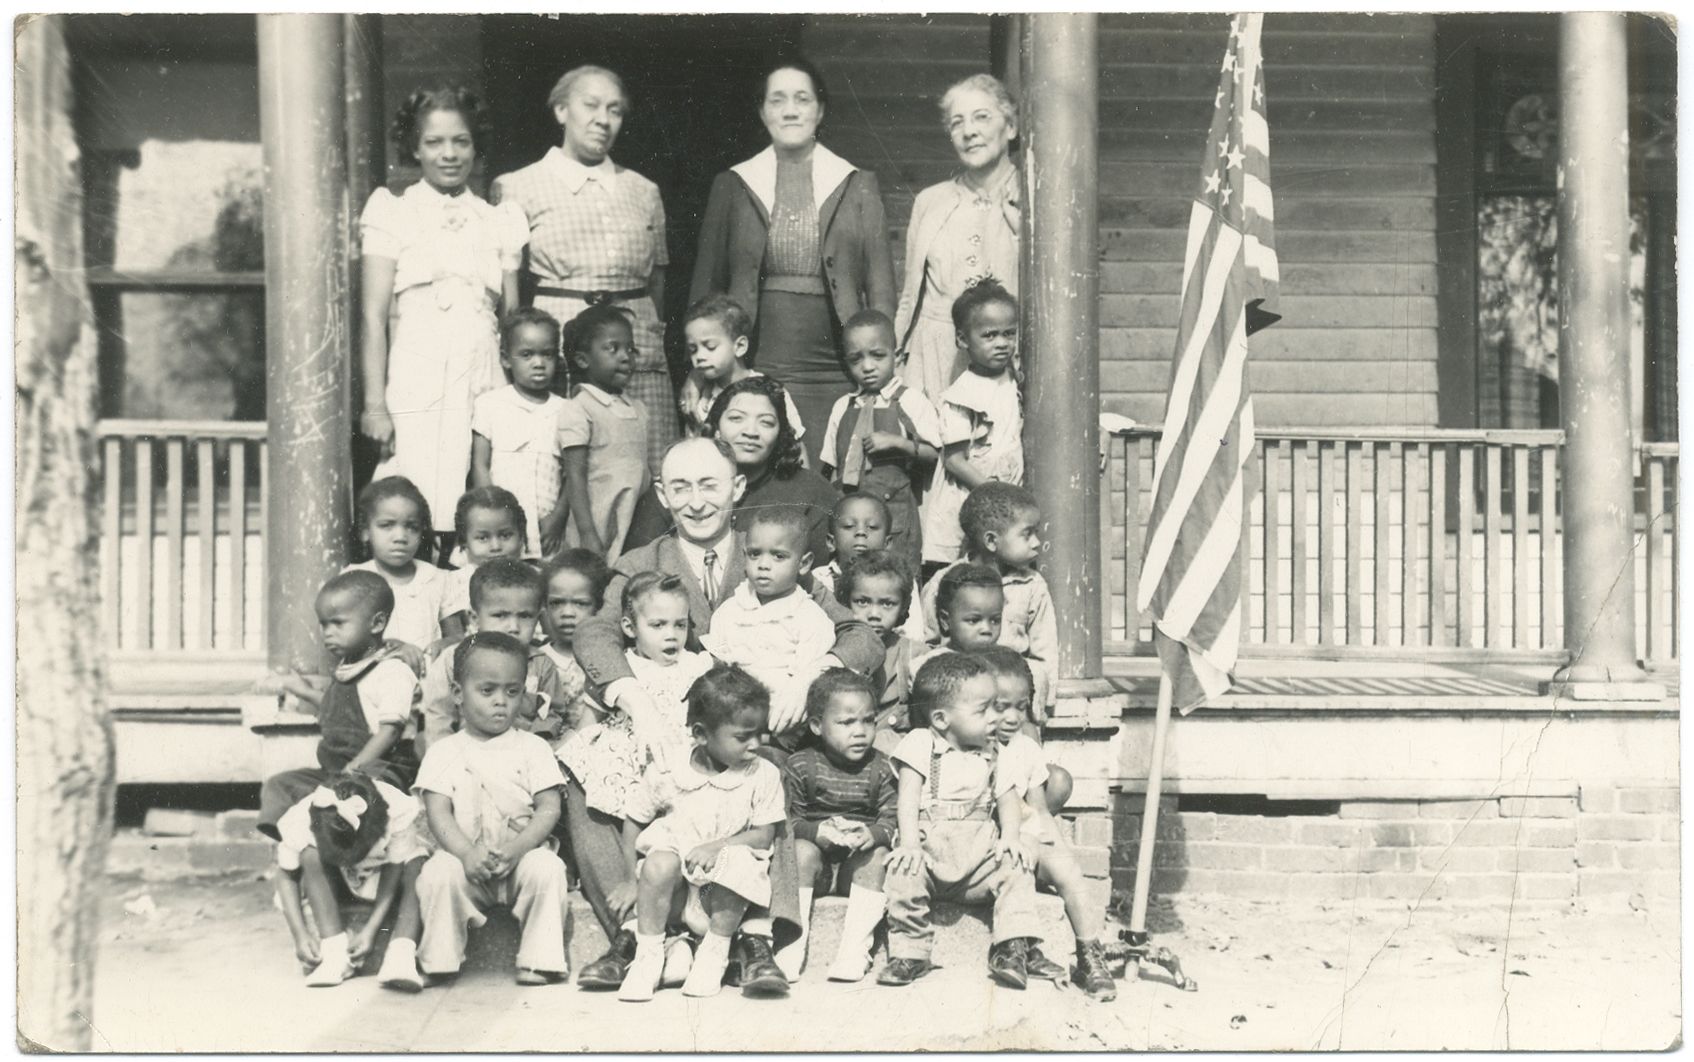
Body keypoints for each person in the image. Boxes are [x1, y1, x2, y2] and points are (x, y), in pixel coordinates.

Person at [568, 436, 882, 992]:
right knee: (584, 769)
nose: (696, 501)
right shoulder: (642, 562)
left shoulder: (768, 548)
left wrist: (809, 674)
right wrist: (632, 696)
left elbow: (858, 636)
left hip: (755, 731)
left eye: (709, 485)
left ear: (737, 488)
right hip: (673, 725)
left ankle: (762, 940)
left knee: (772, 767)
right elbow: (595, 631)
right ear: (662, 495)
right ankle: (631, 935)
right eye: (681, 487)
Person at [690, 57, 895, 465]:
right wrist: (696, 369)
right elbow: (705, 290)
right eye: (777, 100)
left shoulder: (857, 183)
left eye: (802, 99)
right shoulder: (732, 183)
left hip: (836, 362)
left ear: (819, 110)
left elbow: (881, 286)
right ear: (762, 111)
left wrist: (880, 359)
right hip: (760, 356)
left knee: (831, 467)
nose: (790, 110)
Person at [358, 87, 526, 550]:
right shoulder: (393, 211)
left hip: (483, 372)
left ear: (476, 146)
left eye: (461, 141)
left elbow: (510, 317)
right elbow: (373, 316)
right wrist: (375, 404)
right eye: (434, 142)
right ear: (414, 147)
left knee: (485, 498)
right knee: (419, 497)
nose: (449, 154)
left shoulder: (498, 219)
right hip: (419, 375)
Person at [491, 65, 676, 478]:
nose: (603, 119)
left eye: (614, 110)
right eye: (590, 105)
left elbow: (657, 280)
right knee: (566, 465)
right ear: (561, 111)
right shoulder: (518, 186)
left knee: (647, 465)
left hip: (636, 344)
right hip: (560, 344)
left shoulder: (644, 191)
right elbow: (509, 287)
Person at [617, 665, 789, 1001]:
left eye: (760, 734)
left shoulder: (762, 774)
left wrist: (718, 846)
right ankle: (648, 956)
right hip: (677, 891)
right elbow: (634, 820)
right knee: (657, 862)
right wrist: (628, 879)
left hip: (723, 897)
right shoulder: (668, 771)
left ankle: (714, 952)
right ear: (700, 733)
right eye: (742, 737)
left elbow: (764, 835)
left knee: (737, 859)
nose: (755, 744)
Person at [879, 653, 1048, 988]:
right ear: (942, 719)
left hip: (978, 859)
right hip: (931, 850)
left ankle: (1011, 946)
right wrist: (910, 844)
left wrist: (1011, 837)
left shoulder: (996, 750)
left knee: (1016, 868)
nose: (993, 719)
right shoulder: (920, 743)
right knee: (902, 872)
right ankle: (911, 952)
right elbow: (908, 800)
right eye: (982, 710)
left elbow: (1008, 798)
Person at [413, 632, 572, 985]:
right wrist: (466, 853)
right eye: (487, 691)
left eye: (512, 691)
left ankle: (538, 959)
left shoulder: (532, 748)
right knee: (438, 874)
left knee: (548, 869)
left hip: (519, 859)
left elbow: (549, 807)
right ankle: (439, 959)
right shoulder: (444, 751)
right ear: (458, 694)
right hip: (466, 861)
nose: (501, 702)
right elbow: (437, 812)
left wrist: (518, 849)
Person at [979, 647, 1112, 1001]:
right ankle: (1015, 948)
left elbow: (1038, 808)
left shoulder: (1024, 749)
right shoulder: (969, 746)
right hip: (985, 843)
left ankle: (1089, 953)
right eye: (1000, 706)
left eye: (1020, 707)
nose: (1011, 717)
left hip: (1025, 834)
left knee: (1070, 873)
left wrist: (1050, 847)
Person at [256, 571, 420, 842]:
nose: (327, 633)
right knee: (280, 787)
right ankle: (294, 844)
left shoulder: (391, 670)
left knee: (348, 801)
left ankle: (320, 841)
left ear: (377, 623)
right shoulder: (347, 668)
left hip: (378, 769)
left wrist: (356, 768)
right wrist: (306, 692)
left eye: (338, 624)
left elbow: (390, 730)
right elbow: (336, 710)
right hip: (337, 771)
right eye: (323, 624)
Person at [895, 74, 1021, 399]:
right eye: (956, 123)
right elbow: (910, 296)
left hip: (1006, 363)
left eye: (982, 117)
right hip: (933, 361)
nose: (969, 132)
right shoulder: (929, 202)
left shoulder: (1034, 196)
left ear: (1010, 127)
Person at [625, 376, 837, 561]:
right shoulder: (679, 482)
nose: (751, 432)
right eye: (736, 418)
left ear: (781, 434)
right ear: (715, 429)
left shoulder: (812, 491)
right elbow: (638, 564)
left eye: (766, 422)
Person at [560, 572, 713, 823]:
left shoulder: (696, 666)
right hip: (627, 765)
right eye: (657, 625)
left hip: (677, 759)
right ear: (630, 628)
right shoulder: (623, 667)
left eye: (680, 624)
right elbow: (590, 720)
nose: (671, 634)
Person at [779, 669, 896, 983]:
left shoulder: (882, 767)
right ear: (817, 725)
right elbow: (787, 821)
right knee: (799, 850)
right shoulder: (801, 765)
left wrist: (872, 834)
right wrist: (817, 833)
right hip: (815, 868)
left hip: (854, 870)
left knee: (879, 855)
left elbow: (893, 818)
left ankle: (854, 952)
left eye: (868, 721)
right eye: (846, 723)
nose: (860, 732)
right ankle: (788, 946)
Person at [271, 772, 432, 991]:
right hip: (339, 881)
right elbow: (286, 874)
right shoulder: (301, 820)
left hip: (380, 875)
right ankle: (334, 953)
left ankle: (400, 953)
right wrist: (300, 934)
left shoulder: (395, 810)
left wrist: (371, 929)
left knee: (417, 861)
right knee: (308, 855)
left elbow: (396, 865)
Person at [819, 310, 942, 577]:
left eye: (878, 356)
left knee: (895, 579)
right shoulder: (843, 406)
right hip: (851, 518)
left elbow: (934, 454)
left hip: (894, 515)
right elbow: (829, 466)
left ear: (896, 356)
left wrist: (897, 443)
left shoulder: (910, 401)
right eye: (856, 359)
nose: (867, 366)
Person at [919, 482, 1059, 716]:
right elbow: (927, 643)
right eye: (1027, 534)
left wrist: (1044, 705)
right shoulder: (944, 582)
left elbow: (1045, 653)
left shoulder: (1032, 586)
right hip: (959, 700)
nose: (1036, 542)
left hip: (1010, 701)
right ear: (992, 541)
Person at [416, 559, 577, 760]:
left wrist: (533, 750)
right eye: (500, 615)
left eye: (525, 616)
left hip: (522, 758)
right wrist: (445, 760)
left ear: (537, 618)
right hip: (466, 758)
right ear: (475, 618)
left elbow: (552, 714)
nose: (513, 627)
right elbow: (439, 715)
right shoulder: (453, 659)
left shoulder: (541, 664)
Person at [701, 506, 836, 738]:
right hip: (729, 718)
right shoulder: (730, 611)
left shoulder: (809, 618)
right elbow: (716, 667)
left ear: (803, 564)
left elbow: (807, 683)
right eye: (755, 554)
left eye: (779, 556)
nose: (764, 565)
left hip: (783, 725)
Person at [920, 278, 1024, 574]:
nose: (1002, 343)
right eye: (989, 335)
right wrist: (992, 492)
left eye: (1009, 334)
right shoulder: (962, 394)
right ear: (963, 340)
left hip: (1003, 494)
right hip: (971, 492)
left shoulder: (1011, 378)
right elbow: (954, 461)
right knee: (965, 566)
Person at [471, 308, 569, 558]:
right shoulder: (490, 404)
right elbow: (480, 465)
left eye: (547, 354)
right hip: (501, 526)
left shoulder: (566, 410)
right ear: (505, 359)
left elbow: (572, 474)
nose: (538, 363)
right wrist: (494, 516)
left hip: (546, 526)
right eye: (526, 354)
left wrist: (557, 518)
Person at [557, 304, 650, 560]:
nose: (625, 357)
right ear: (583, 359)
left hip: (635, 520)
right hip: (598, 519)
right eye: (612, 348)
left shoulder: (639, 409)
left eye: (630, 349)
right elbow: (575, 475)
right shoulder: (580, 407)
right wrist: (587, 534)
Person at [676, 293, 807, 453]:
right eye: (693, 349)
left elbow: (796, 447)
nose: (700, 357)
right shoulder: (697, 396)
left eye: (710, 347)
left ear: (740, 346)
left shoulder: (770, 391)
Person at [835, 549, 930, 754]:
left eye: (887, 604)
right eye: (863, 601)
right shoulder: (835, 651)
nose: (874, 614)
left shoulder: (914, 654)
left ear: (903, 607)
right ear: (845, 602)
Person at [344, 477, 454, 651]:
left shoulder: (437, 579)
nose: (401, 537)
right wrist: (394, 650)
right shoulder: (353, 579)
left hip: (428, 674)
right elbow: (345, 640)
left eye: (412, 527)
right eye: (387, 525)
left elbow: (456, 637)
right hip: (375, 673)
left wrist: (443, 645)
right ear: (365, 531)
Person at [813, 493, 927, 644]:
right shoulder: (819, 580)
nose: (861, 532)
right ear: (830, 542)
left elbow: (913, 635)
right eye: (849, 526)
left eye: (872, 527)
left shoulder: (899, 579)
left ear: (887, 543)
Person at [442, 486, 528, 635]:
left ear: (521, 536)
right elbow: (454, 638)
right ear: (464, 542)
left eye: (505, 535)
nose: (495, 546)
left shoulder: (533, 579)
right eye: (483, 538)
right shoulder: (454, 584)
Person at [914, 561, 1006, 677]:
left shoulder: (1004, 667)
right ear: (945, 620)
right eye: (974, 620)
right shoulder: (928, 668)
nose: (987, 629)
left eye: (995, 620)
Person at [539, 547, 611, 679]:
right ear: (545, 604)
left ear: (599, 605)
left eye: (580, 603)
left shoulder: (609, 658)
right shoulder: (538, 661)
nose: (567, 613)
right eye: (557, 603)